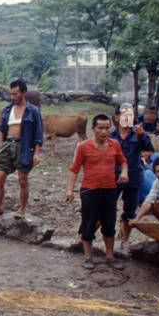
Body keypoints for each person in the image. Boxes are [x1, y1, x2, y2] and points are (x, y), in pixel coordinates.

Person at [65, 113, 128, 269]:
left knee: (109, 223)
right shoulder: (83, 146)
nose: (104, 131)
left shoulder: (115, 145)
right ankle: (88, 257)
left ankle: (110, 256)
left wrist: (124, 172)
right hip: (90, 191)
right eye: (100, 128)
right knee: (89, 222)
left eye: (107, 128)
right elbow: (74, 170)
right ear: (93, 128)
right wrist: (70, 190)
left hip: (110, 190)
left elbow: (123, 162)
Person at [0, 79, 43, 215]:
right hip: (7, 144)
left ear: (24, 93)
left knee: (23, 180)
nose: (12, 97)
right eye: (11, 94)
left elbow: (38, 133)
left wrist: (36, 153)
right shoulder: (7, 109)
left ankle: (22, 210)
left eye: (15, 94)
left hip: (24, 147)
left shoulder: (33, 111)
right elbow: (2, 129)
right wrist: (1, 146)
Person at [113, 104, 154, 258]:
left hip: (134, 177)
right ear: (117, 118)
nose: (127, 118)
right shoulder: (111, 135)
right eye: (124, 115)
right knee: (106, 208)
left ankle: (125, 242)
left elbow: (149, 149)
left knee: (129, 212)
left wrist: (142, 136)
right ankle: (87, 237)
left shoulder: (138, 134)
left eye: (131, 115)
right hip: (113, 177)